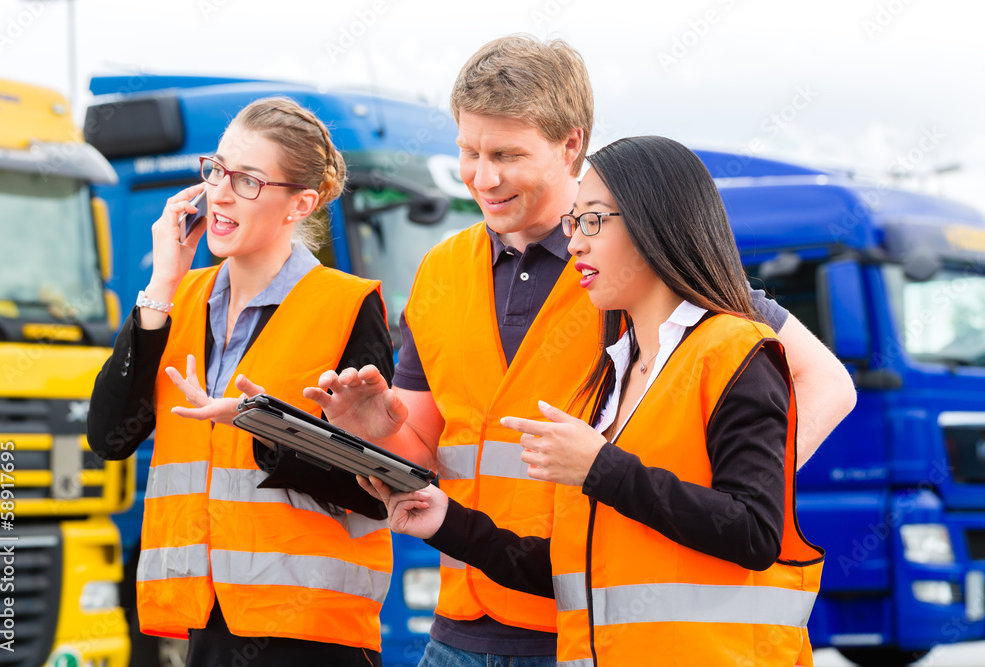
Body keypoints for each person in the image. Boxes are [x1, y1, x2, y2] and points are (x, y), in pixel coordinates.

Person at [308, 36, 852, 666]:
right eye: (468, 151)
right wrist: (371, 432)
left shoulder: (642, 270)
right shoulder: (439, 271)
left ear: (571, 144)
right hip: (463, 618)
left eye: (507, 154)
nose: (483, 177)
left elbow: (826, 384)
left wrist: (717, 499)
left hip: (594, 625)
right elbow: (425, 453)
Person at [87, 97, 395, 666]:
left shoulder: (347, 306)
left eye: (248, 180)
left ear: (299, 203)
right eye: (217, 170)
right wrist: (161, 284)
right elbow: (109, 438)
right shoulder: (179, 300)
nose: (220, 193)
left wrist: (263, 430)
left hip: (312, 637)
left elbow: (375, 487)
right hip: (206, 625)